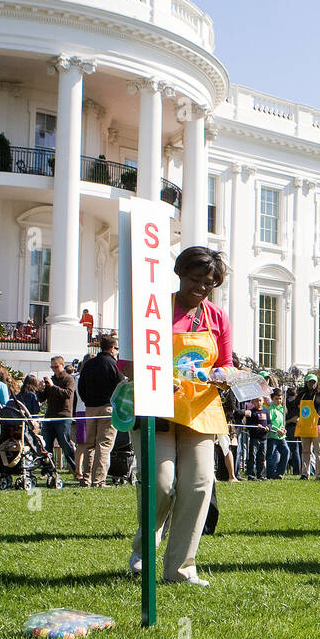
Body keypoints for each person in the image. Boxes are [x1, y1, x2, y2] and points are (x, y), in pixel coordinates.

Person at [130, 246, 233, 586]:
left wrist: (225, 376)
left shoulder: (217, 318)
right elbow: (128, 362)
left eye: (209, 283)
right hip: (157, 408)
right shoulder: (154, 310)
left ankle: (181, 569)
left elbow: (224, 363)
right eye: (196, 280)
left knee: (199, 484)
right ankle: (146, 544)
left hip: (201, 410)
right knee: (161, 484)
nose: (202, 288)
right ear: (180, 274)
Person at [77, 334, 122, 487]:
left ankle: (86, 478)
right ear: (111, 348)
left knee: (89, 444)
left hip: (90, 408)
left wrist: (87, 401)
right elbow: (121, 385)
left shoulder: (88, 364)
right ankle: (99, 480)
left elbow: (81, 387)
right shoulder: (114, 365)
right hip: (107, 407)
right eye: (116, 348)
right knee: (104, 444)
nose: (116, 351)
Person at [289, 374, 320, 480]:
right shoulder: (302, 394)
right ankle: (304, 473)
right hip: (305, 425)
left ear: (316, 383)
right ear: (306, 383)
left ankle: (319, 474)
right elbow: (294, 405)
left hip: (318, 424)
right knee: (305, 450)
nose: (311, 384)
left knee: (318, 450)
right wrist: (298, 414)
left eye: (313, 382)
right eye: (309, 382)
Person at [40, 356, 80, 480]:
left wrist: (53, 387)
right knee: (47, 445)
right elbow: (42, 399)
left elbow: (68, 394)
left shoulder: (69, 379)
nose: (54, 369)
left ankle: (75, 469)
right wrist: (41, 389)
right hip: (50, 416)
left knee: (65, 444)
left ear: (62, 365)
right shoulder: (51, 380)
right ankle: (47, 470)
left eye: (56, 366)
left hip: (63, 417)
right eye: (52, 367)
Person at [266, 388, 289, 479]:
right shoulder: (271, 409)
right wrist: (277, 430)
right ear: (272, 399)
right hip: (272, 436)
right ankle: (270, 474)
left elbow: (282, 423)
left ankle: (279, 473)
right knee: (271, 456)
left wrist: (283, 429)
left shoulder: (282, 409)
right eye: (276, 399)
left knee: (286, 451)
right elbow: (270, 423)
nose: (279, 400)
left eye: (280, 398)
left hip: (281, 437)